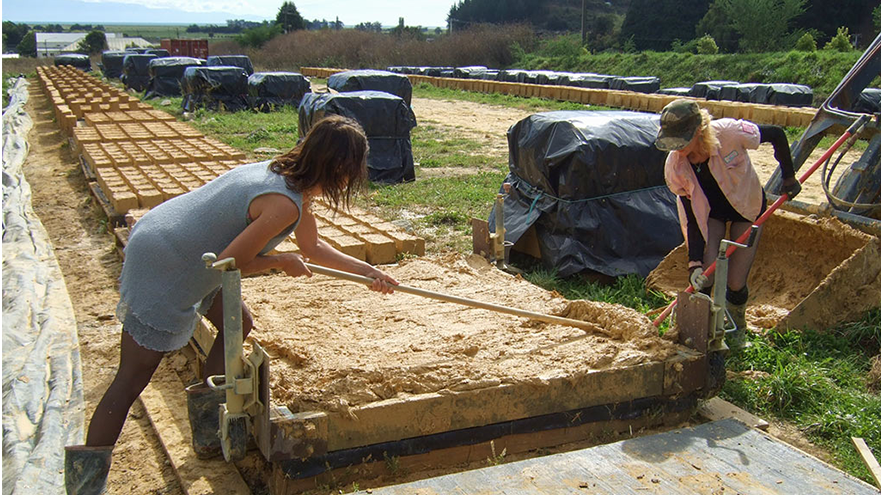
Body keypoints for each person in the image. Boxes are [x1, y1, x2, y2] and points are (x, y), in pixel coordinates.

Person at [64, 115, 398, 494]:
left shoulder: (287, 178)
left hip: (179, 240)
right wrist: (280, 261)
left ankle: (207, 430)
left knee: (239, 321)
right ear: (338, 166)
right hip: (167, 261)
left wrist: (370, 271)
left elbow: (313, 247)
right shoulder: (283, 203)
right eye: (352, 169)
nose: (351, 178)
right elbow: (232, 262)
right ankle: (84, 483)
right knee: (131, 379)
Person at [655, 99, 800, 345]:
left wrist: (788, 177)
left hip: (747, 206)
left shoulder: (731, 133)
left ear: (698, 131)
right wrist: (694, 263)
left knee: (735, 281)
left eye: (682, 140)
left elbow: (776, 134)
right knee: (704, 278)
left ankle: (737, 327)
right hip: (711, 214)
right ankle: (701, 332)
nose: (677, 148)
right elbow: (691, 218)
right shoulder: (676, 166)